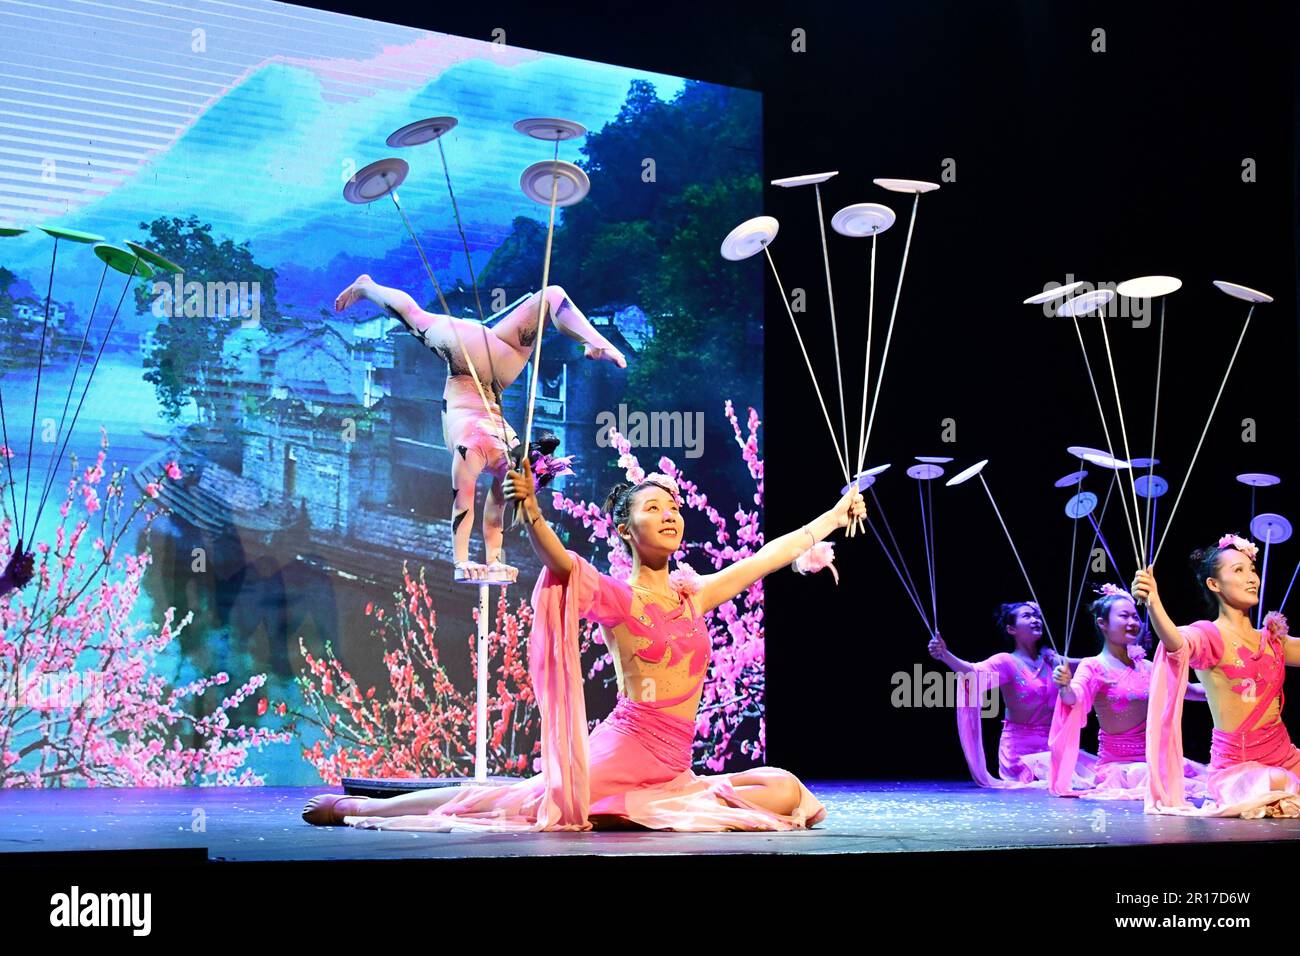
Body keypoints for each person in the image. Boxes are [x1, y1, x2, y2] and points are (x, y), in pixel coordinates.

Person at [302, 462, 864, 831]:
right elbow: (562, 564)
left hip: (673, 771)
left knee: (786, 789)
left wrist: (836, 515)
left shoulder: (694, 595)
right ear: (625, 529)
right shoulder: (620, 599)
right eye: (653, 510)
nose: (668, 516)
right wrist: (534, 514)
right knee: (511, 803)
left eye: (673, 509)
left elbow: (768, 554)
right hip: (624, 750)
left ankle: (635, 810)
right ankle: (362, 807)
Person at [334, 275, 626, 580]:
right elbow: (488, 512)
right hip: (490, 364)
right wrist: (477, 561)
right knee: (550, 296)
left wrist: (475, 561)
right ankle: (596, 343)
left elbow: (473, 509)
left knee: (417, 316)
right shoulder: (511, 455)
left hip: (473, 360)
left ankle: (368, 287)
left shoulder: (471, 453)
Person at [1136, 533, 1300, 817]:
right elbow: (1176, 643)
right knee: (1275, 785)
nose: (1252, 578)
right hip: (1241, 768)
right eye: (1238, 570)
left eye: (1252, 570)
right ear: (1214, 584)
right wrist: (1154, 603)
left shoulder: (1272, 639)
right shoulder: (1208, 635)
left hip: (1286, 756)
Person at [1047, 585, 1208, 799]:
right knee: (1151, 777)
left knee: (1203, 776)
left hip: (1153, 760)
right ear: (1102, 623)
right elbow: (1074, 699)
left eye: (1135, 617)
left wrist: (1226, 682)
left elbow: (1193, 692)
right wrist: (1065, 686)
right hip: (1119, 768)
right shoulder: (1094, 666)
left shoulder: (1149, 667)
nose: (1132, 623)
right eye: (1124, 616)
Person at [928, 602, 1090, 787]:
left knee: (1092, 779)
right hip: (1020, 752)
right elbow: (973, 672)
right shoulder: (1006, 662)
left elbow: (1092, 665)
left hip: (1053, 744)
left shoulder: (1051, 660)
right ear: (1011, 629)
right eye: (1027, 616)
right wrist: (945, 655)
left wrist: (1125, 650)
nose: (1035, 620)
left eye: (1037, 616)